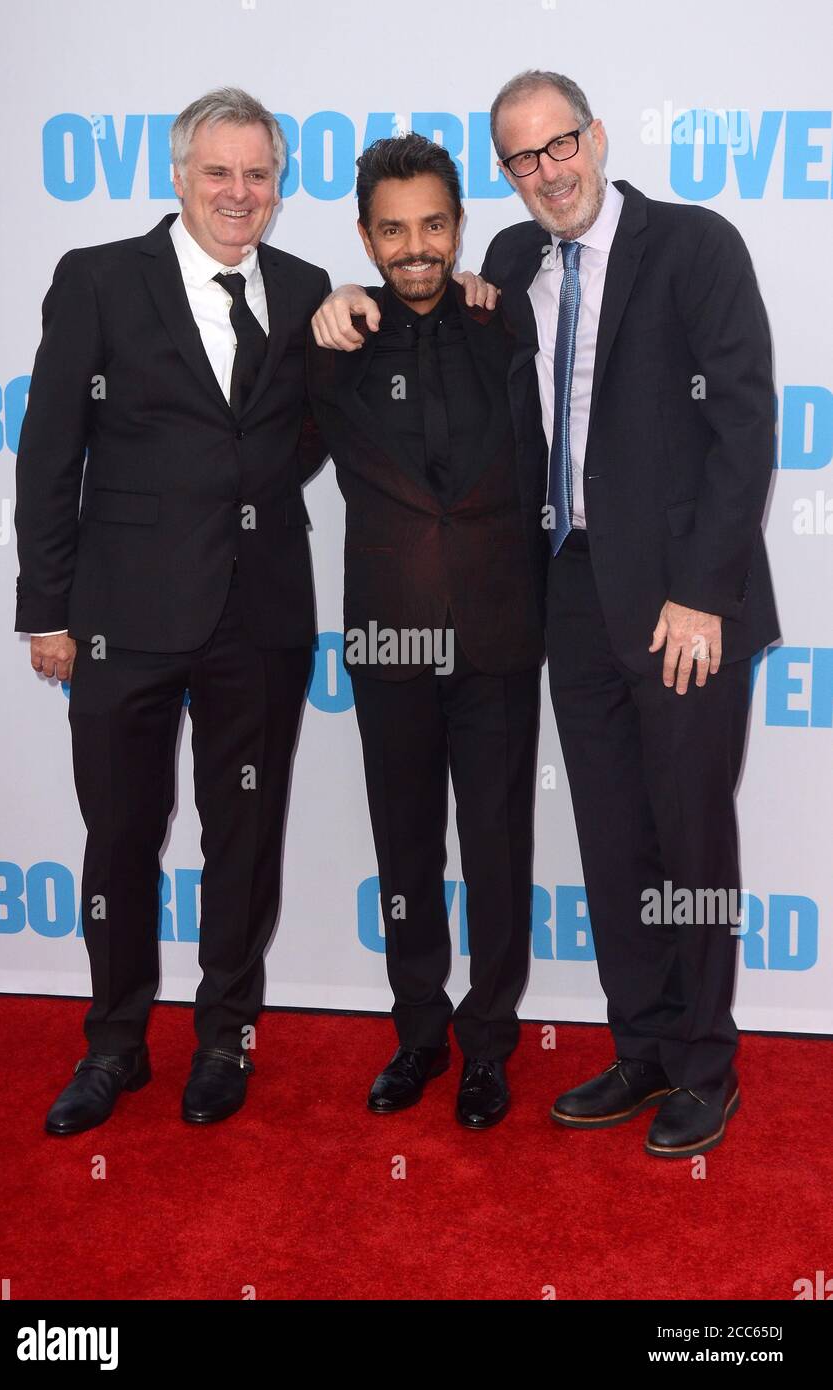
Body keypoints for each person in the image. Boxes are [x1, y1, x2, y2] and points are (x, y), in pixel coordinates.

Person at [312, 71, 779, 1157]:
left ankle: (705, 1064)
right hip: (566, 592)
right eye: (519, 160)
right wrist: (338, 299)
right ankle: (643, 1044)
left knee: (689, 843)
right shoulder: (513, 265)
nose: (544, 172)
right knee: (614, 838)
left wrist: (704, 589)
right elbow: (427, 312)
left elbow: (744, 423)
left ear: (595, 137)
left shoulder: (693, 246)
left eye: (557, 146)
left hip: (680, 606)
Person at [15, 87, 330, 1134]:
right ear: (180, 176)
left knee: (243, 836)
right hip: (120, 618)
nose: (239, 193)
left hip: (261, 616)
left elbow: (299, 433)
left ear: (278, 188)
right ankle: (113, 1044)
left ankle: (223, 1035)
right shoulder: (100, 279)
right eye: (218, 173)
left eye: (258, 175)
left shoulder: (303, 287)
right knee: (120, 837)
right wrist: (45, 610)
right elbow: (50, 452)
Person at [307, 134, 547, 1128]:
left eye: (433, 224)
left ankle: (488, 1043)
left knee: (495, 849)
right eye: (393, 229)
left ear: (458, 227)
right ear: (366, 235)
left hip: (494, 630)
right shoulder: (330, 345)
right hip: (391, 639)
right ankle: (417, 1031)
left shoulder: (505, 319)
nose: (415, 247)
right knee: (404, 849)